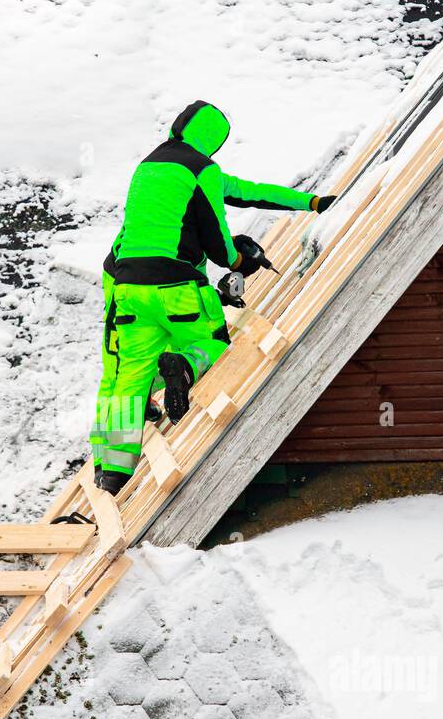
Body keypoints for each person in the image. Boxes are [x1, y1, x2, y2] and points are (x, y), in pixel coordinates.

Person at [89, 100, 335, 494]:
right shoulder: (202, 169)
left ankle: (113, 475)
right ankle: (184, 368)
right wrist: (238, 258)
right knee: (218, 346)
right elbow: (218, 238)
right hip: (176, 287)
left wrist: (310, 202)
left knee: (129, 379)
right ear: (213, 139)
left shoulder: (150, 167)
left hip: (128, 289)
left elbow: (245, 192)